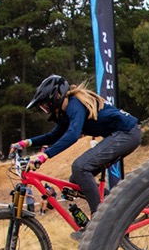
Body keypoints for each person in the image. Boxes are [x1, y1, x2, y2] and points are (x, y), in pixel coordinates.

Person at [14, 75, 141, 238]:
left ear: (57, 96)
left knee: (80, 167)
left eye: (46, 105)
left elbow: (73, 135)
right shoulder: (67, 112)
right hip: (119, 135)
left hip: (127, 134)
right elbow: (54, 136)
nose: (46, 110)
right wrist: (26, 142)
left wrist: (43, 157)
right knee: (76, 180)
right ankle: (117, 206)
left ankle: (98, 224)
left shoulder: (75, 104)